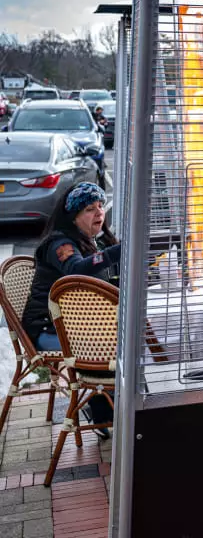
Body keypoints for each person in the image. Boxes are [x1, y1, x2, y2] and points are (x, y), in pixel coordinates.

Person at [21, 182, 120, 436]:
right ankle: (101, 406)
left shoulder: (90, 240)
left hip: (77, 326)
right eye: (90, 209)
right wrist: (115, 253)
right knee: (117, 347)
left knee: (122, 340)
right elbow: (76, 270)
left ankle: (105, 407)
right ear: (73, 217)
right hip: (47, 329)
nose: (99, 213)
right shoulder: (59, 244)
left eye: (101, 206)